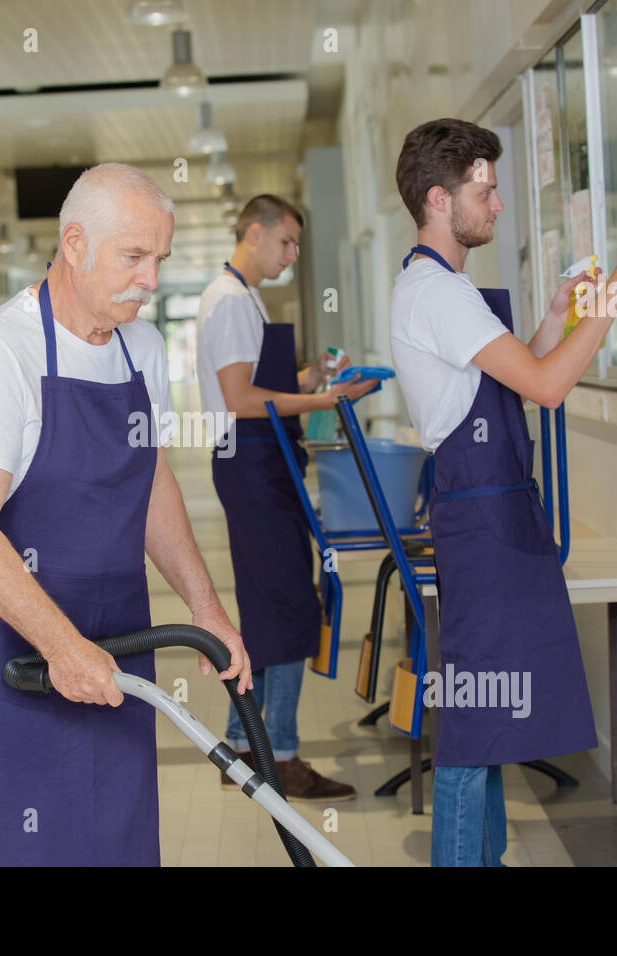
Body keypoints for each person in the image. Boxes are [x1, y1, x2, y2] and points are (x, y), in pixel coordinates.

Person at [0, 163, 251, 866]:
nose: (151, 279)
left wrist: (205, 609)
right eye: (134, 257)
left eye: (160, 260)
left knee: (104, 836)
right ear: (75, 243)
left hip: (113, 638)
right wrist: (60, 647)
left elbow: (151, 485)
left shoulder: (140, 349)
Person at [388, 118, 617, 866]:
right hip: (483, 528)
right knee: (474, 732)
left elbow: (517, 374)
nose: (499, 204)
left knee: (489, 727)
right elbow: (546, 387)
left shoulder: (447, 290)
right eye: (488, 189)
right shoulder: (434, 294)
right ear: (441, 200)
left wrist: (554, 317)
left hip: (498, 517)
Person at [197, 194, 374, 802]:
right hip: (251, 462)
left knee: (271, 608)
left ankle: (240, 747)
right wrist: (324, 404)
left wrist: (316, 379)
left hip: (261, 459)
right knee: (292, 607)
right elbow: (242, 400)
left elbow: (264, 388)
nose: (293, 255)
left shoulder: (245, 298)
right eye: (286, 243)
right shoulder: (225, 301)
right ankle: (285, 756)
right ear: (254, 233)